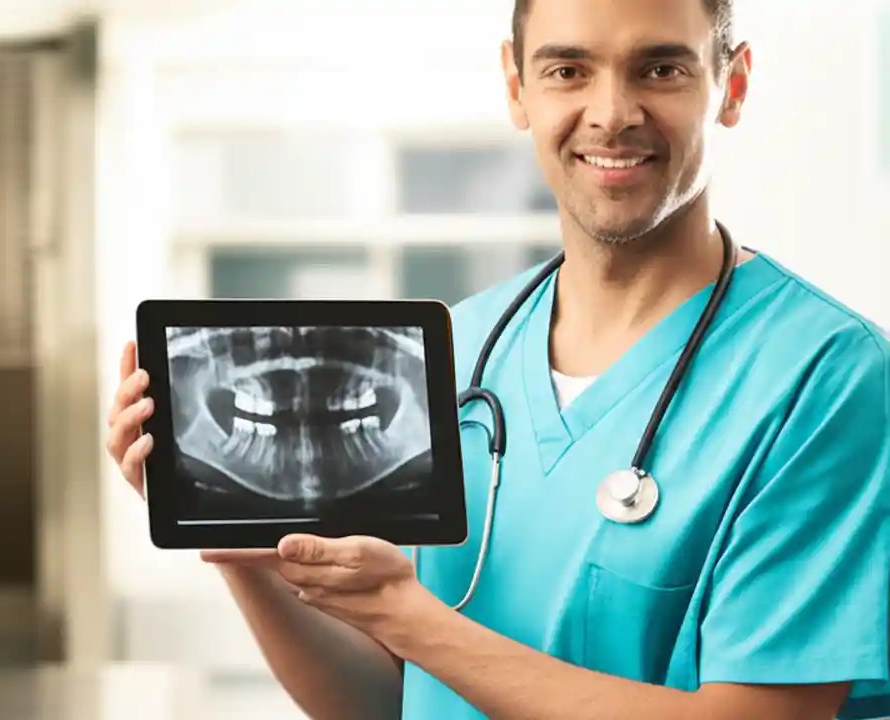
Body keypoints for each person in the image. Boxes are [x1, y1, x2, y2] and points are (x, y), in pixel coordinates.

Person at [105, 0, 890, 717]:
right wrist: (251, 560)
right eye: (567, 70)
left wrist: (414, 621)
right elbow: (384, 705)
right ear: (518, 87)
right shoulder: (456, 353)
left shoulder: (825, 377)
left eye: (661, 68)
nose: (612, 114)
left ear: (733, 84)